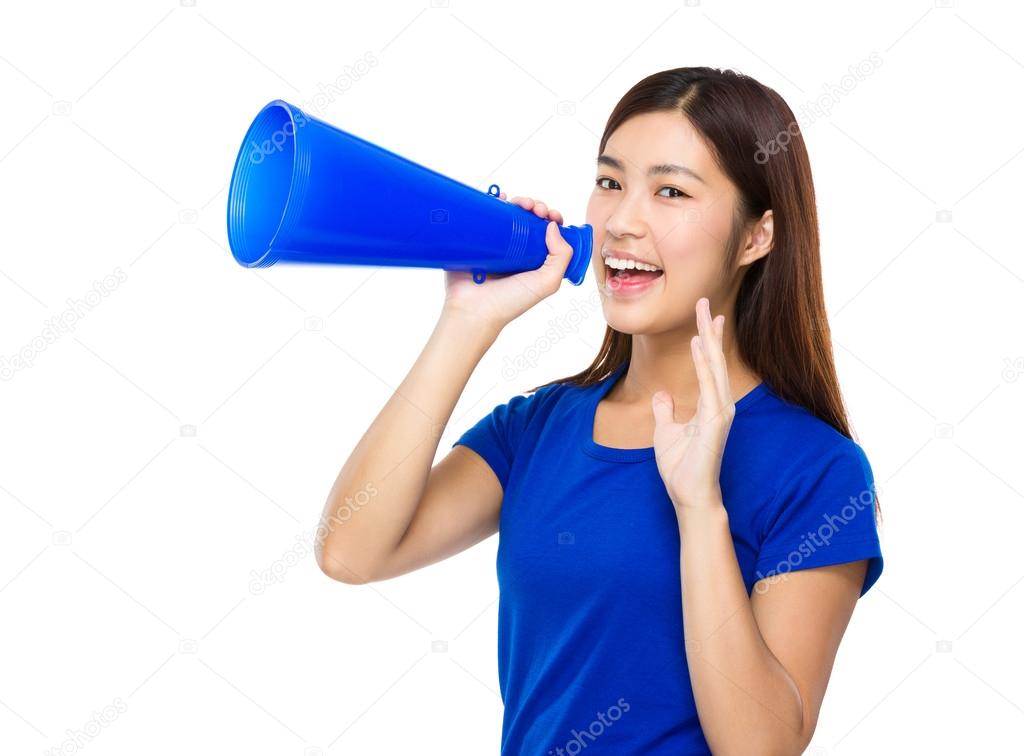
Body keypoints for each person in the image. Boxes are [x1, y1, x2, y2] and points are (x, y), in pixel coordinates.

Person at [316, 66, 884, 755]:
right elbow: (351, 552)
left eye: (671, 191)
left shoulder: (816, 469)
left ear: (755, 237)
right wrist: (466, 321)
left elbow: (759, 746)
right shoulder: (536, 429)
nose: (620, 221)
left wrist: (699, 506)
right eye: (610, 182)